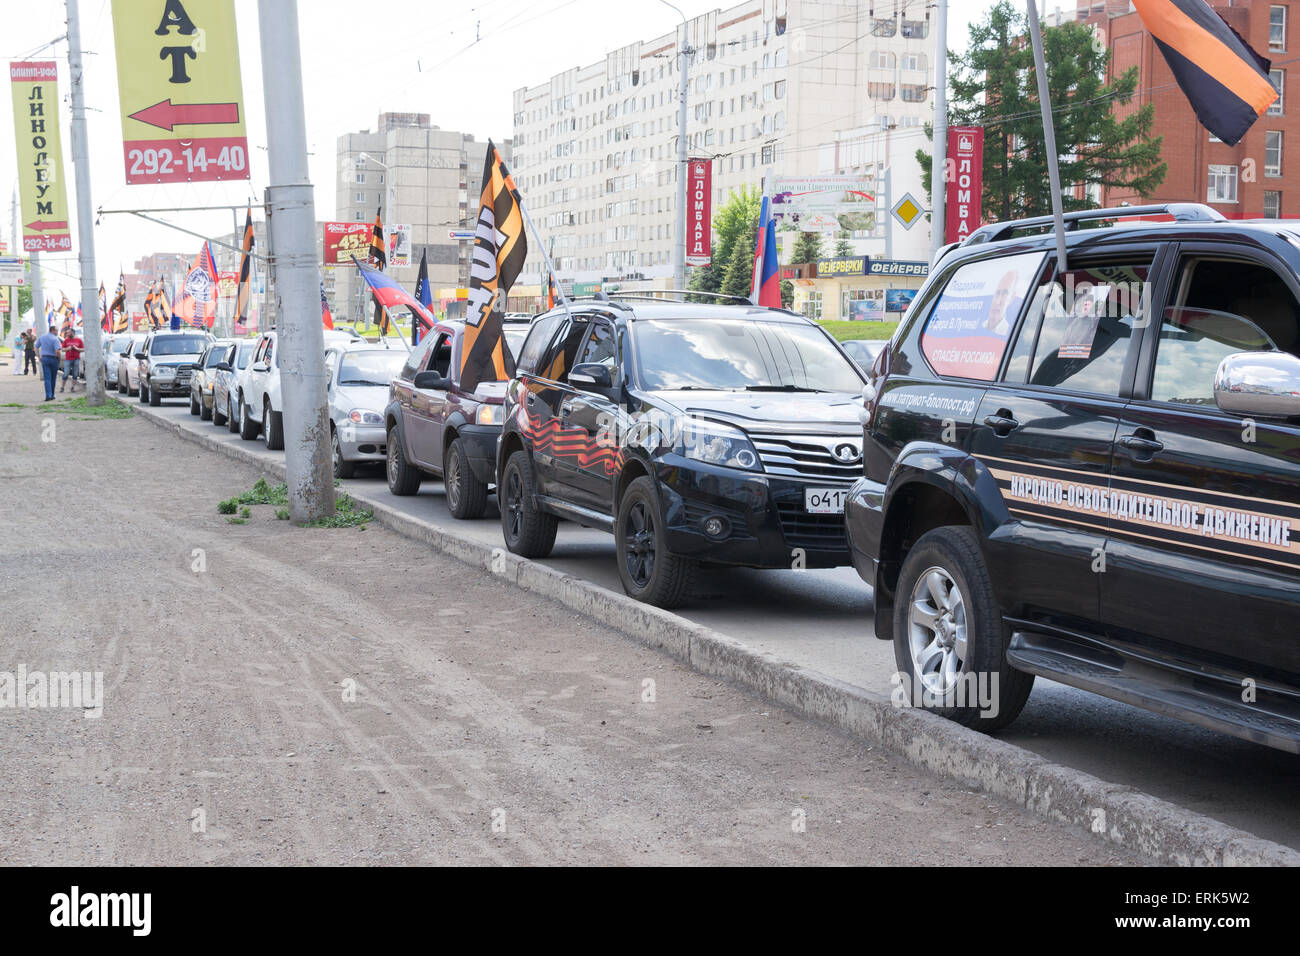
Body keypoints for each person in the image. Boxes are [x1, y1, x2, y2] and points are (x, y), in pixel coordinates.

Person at [35, 324, 61, 400]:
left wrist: (39, 356)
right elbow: (57, 351)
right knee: (53, 378)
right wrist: (59, 359)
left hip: (45, 358)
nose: (57, 332)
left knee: (47, 378)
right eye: (56, 330)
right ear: (52, 330)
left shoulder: (42, 337)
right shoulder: (55, 339)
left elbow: (36, 347)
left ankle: (48, 395)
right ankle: (52, 395)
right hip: (53, 359)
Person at [59, 327, 84, 393]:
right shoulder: (66, 340)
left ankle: (72, 387)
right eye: (67, 332)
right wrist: (68, 348)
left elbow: (83, 349)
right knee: (66, 373)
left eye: (68, 332)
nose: (67, 334)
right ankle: (62, 387)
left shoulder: (79, 340)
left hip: (76, 359)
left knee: (75, 374)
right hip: (68, 359)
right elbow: (63, 349)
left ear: (73, 333)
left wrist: (77, 349)